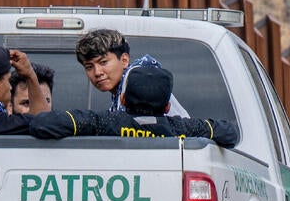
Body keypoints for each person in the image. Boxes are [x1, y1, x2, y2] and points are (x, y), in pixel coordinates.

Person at [29, 62, 238, 147]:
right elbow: (229, 133)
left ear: (122, 99)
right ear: (167, 107)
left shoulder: (102, 123)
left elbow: (42, 124)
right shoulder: (183, 128)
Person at [74, 28, 186, 117]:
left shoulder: (142, 84)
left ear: (124, 60)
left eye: (103, 62)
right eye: (89, 67)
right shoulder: (120, 92)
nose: (97, 72)